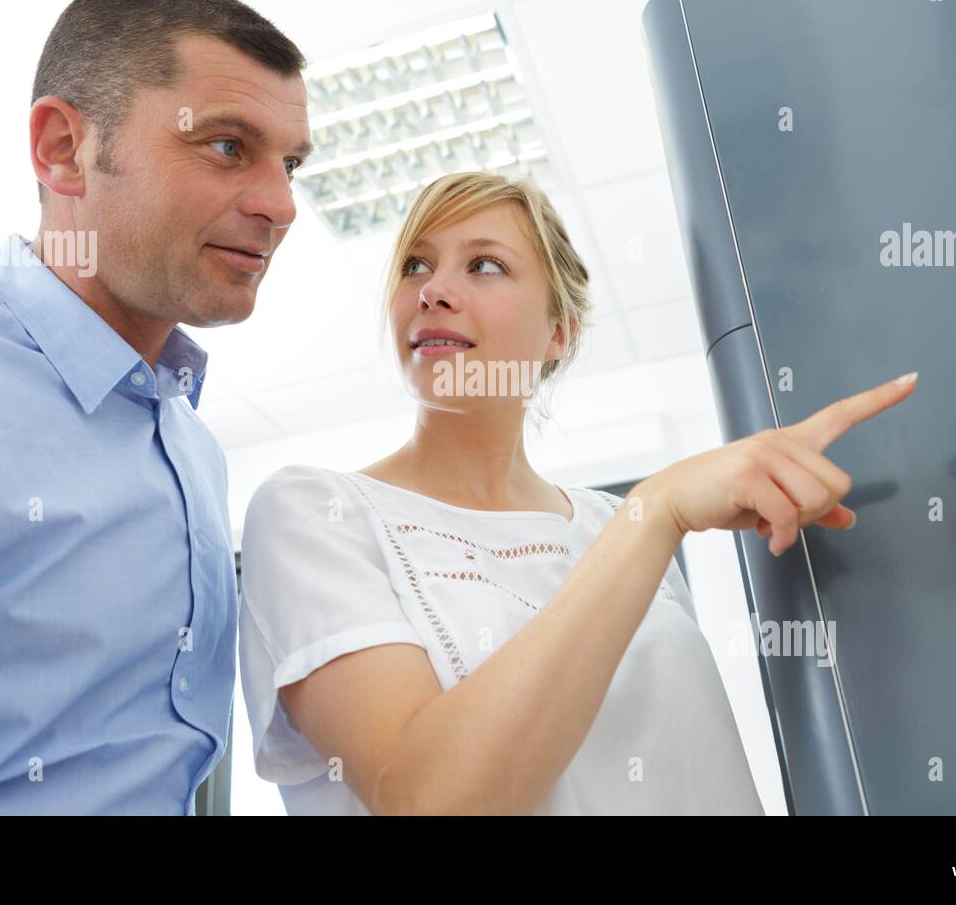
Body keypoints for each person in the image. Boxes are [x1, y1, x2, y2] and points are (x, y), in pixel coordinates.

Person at [238, 171, 919, 814]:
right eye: (415, 265)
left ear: (557, 332)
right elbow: (426, 797)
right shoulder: (314, 514)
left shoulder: (607, 523)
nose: (433, 290)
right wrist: (657, 512)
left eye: (484, 265)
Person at [0, 0, 312, 813]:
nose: (281, 206)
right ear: (63, 148)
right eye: (230, 147)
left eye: (292, 164)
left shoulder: (189, 444)